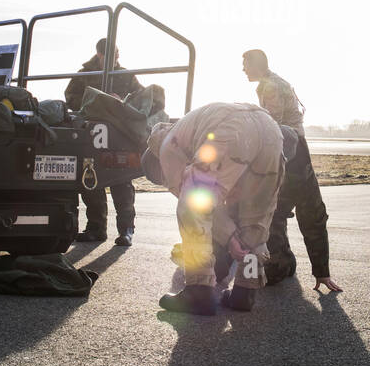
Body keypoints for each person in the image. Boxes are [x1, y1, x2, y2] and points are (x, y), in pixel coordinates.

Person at [143, 102, 284, 315]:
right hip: (271, 130)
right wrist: (233, 236)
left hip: (232, 130)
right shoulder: (186, 131)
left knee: (191, 207)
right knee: (255, 220)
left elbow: (199, 204)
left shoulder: (166, 148)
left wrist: (228, 237)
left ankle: (198, 292)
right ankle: (245, 292)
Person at [242, 49, 343, 293]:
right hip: (293, 149)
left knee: (285, 208)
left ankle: (283, 264)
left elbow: (272, 127)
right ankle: (284, 262)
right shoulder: (273, 82)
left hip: (290, 151)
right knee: (280, 208)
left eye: (245, 64)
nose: (243, 69)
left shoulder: (270, 87)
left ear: (257, 65)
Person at [65, 38, 143, 246]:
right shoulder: (84, 75)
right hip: (92, 132)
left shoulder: (126, 75)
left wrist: (122, 100)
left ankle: (126, 230)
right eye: (112, 55)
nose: (117, 59)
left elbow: (141, 101)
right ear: (100, 55)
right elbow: (70, 97)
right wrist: (96, 100)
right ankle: (96, 228)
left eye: (118, 54)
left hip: (119, 134)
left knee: (122, 182)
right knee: (90, 180)